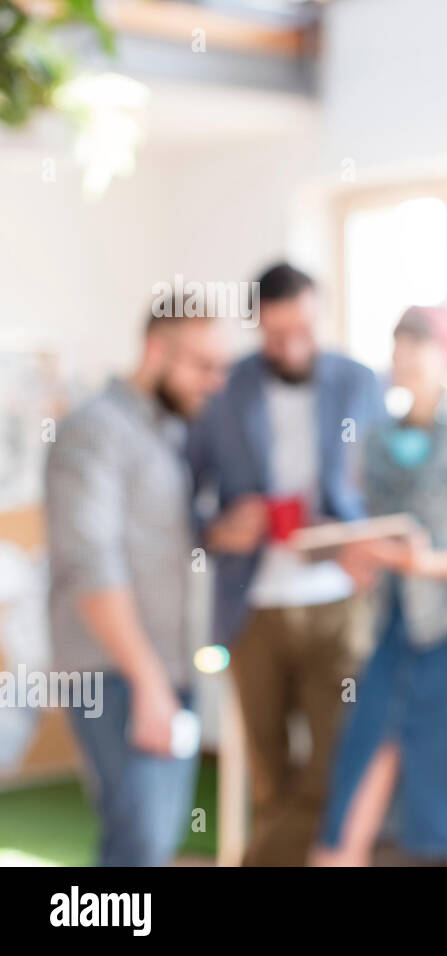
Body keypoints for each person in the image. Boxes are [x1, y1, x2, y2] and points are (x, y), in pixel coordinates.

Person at [187, 262, 385, 866]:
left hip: (337, 603)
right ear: (257, 329)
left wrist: (364, 540)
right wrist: (220, 529)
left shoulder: (359, 383)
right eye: (276, 336)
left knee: (335, 762)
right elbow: (184, 491)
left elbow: (383, 488)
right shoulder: (226, 388)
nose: (291, 346)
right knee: (269, 771)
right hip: (253, 609)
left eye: (302, 330)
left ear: (319, 316)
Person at [311, 305, 447, 866]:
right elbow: (375, 538)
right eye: (398, 342)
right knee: (352, 785)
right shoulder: (374, 445)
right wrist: (360, 560)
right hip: (395, 637)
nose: (403, 354)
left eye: (418, 344)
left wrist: (427, 564)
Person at [47, 307, 227, 866]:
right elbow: (90, 563)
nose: (213, 383)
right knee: (138, 846)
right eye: (202, 366)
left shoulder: (169, 433)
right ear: (156, 351)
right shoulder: (93, 430)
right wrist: (147, 679)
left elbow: (161, 539)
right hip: (118, 674)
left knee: (153, 841)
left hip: (166, 669)